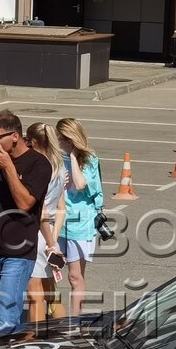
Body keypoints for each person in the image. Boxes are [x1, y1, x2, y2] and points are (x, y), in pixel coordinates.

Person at [0, 110, 52, 336]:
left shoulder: (38, 164)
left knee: (6, 319)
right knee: (2, 317)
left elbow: (25, 203)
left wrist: (8, 168)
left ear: (15, 136)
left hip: (20, 251)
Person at [56, 117, 104, 315]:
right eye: (58, 138)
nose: (60, 143)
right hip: (58, 221)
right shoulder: (57, 156)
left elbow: (80, 184)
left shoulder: (89, 159)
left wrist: (74, 157)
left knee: (75, 276)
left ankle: (74, 321)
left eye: (63, 139)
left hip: (79, 224)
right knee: (51, 270)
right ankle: (53, 312)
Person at [24, 122, 68, 324]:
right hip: (50, 233)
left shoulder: (39, 168)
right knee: (51, 292)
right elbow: (61, 209)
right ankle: (65, 335)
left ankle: (36, 339)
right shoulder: (59, 167)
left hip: (38, 234)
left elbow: (40, 212)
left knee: (35, 295)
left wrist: (49, 242)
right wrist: (54, 241)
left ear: (33, 142)